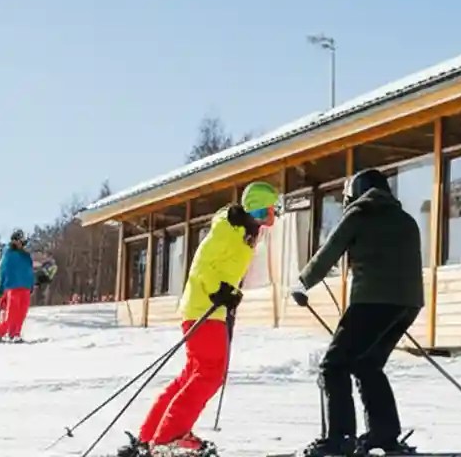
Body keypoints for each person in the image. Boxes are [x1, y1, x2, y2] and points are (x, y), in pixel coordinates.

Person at [120, 181, 279, 457]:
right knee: (209, 372)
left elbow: (223, 267)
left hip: (206, 308)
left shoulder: (242, 231)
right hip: (205, 309)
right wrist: (219, 290)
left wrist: (230, 293)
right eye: (267, 212)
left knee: (193, 374)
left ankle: (151, 435)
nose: (271, 219)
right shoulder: (229, 229)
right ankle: (170, 436)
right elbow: (203, 263)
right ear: (254, 210)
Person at [291, 168, 424, 457]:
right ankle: (384, 434)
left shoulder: (360, 214)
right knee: (367, 365)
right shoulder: (407, 220)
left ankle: (340, 438)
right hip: (408, 304)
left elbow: (330, 250)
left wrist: (303, 281)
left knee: (333, 366)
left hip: (371, 302)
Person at [0, 229, 36, 342]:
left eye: (21, 241)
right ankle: (0, 332)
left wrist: (31, 284)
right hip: (12, 286)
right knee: (11, 314)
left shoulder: (26, 256)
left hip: (25, 287)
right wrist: (1, 287)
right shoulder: (8, 254)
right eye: (17, 240)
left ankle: (15, 334)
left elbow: (29, 271)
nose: (19, 243)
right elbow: (3, 271)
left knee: (21, 313)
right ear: (14, 241)